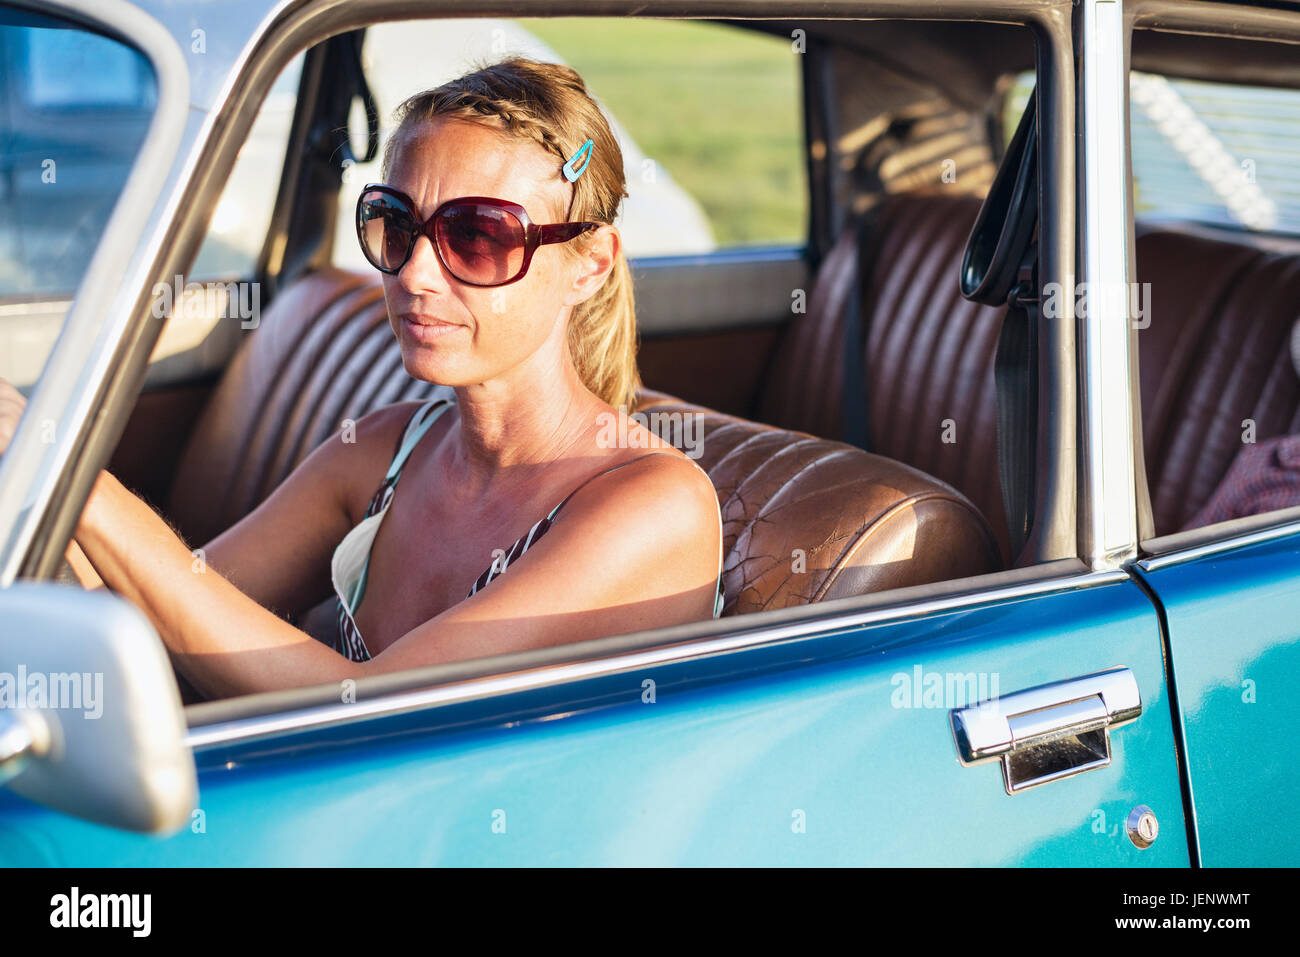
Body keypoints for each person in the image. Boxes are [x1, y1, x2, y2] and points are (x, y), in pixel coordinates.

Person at [0, 57, 724, 700]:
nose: (412, 273)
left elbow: (371, 707)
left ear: (590, 263)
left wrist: (79, 483)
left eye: (476, 235)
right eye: (396, 224)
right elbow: (164, 605)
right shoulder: (383, 448)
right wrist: (26, 476)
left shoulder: (656, 506)